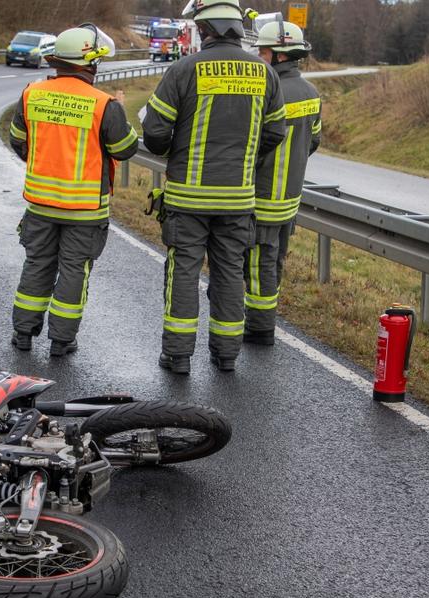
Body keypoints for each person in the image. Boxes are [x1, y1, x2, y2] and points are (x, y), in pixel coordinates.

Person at [141, 0, 286, 374]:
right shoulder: (266, 74)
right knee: (229, 274)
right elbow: (275, 132)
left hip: (187, 199)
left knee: (183, 273)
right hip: (238, 199)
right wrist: (245, 160)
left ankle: (177, 356)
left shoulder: (183, 69)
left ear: (203, 30)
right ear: (237, 29)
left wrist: (175, 150)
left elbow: (155, 132)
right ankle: (226, 354)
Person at [7, 24, 139, 357]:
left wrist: (42, 160)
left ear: (57, 61)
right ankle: (61, 341)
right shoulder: (104, 104)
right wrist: (121, 111)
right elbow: (124, 149)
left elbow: (17, 140)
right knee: (73, 273)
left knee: (37, 265)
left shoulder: (31, 93)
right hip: (84, 211)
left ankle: (23, 333)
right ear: (91, 64)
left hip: (40, 205)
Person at [244, 19, 322, 346]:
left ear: (278, 55)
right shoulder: (311, 93)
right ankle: (265, 318)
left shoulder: (266, 91)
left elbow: (251, 143)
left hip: (261, 197)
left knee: (259, 263)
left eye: (262, 52)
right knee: (274, 261)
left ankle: (260, 329)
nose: (259, 57)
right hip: (290, 200)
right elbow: (314, 142)